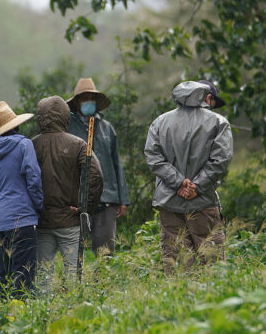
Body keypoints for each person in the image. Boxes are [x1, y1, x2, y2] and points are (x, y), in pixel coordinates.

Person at [144, 80, 233, 272]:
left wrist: (178, 183)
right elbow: (221, 159)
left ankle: (181, 301)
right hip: (203, 202)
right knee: (212, 264)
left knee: (178, 266)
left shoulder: (160, 122)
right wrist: (197, 187)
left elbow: (152, 156)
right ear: (207, 97)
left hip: (169, 202)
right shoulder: (218, 122)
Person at [32, 96, 103, 291]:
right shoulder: (78, 144)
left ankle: (41, 316)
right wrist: (85, 207)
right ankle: (72, 313)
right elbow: (95, 176)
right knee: (73, 273)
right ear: (65, 116)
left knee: (43, 275)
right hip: (70, 219)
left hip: (42, 219)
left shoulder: (31, 145)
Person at [0, 101, 44, 299]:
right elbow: (33, 179)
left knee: (2, 274)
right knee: (23, 274)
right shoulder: (24, 145)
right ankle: (21, 321)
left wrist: (0, 204)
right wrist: (39, 206)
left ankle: (1, 319)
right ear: (15, 124)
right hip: (23, 218)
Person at [66, 78, 129, 255]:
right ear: (77, 102)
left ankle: (103, 282)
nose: (88, 102)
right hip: (78, 199)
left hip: (106, 196)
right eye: (84, 98)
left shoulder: (107, 128)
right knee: (73, 252)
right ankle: (75, 283)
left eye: (91, 98)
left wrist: (122, 199)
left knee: (105, 251)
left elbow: (116, 163)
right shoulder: (68, 127)